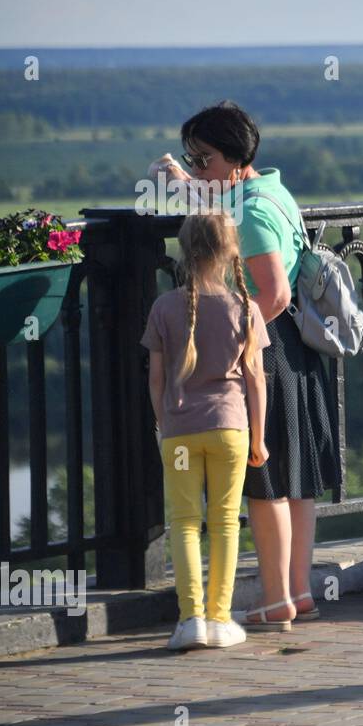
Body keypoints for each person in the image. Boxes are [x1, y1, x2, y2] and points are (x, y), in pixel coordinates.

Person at [152, 101, 343, 629]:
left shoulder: (249, 210)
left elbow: (275, 293)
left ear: (236, 160)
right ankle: (298, 591)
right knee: (295, 480)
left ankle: (276, 598)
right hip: (289, 352)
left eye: (204, 160)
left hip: (266, 352)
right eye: (192, 160)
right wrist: (185, 185)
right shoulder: (268, 192)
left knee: (266, 482)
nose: (197, 171)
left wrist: (224, 338)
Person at [142, 208, 270, 650]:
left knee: (183, 523)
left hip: (179, 433)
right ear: (230, 251)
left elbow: (155, 379)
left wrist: (164, 425)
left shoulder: (163, 307)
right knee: (225, 524)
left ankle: (190, 619)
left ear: (184, 250)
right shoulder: (246, 308)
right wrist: (260, 436)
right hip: (230, 431)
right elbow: (256, 379)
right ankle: (220, 619)